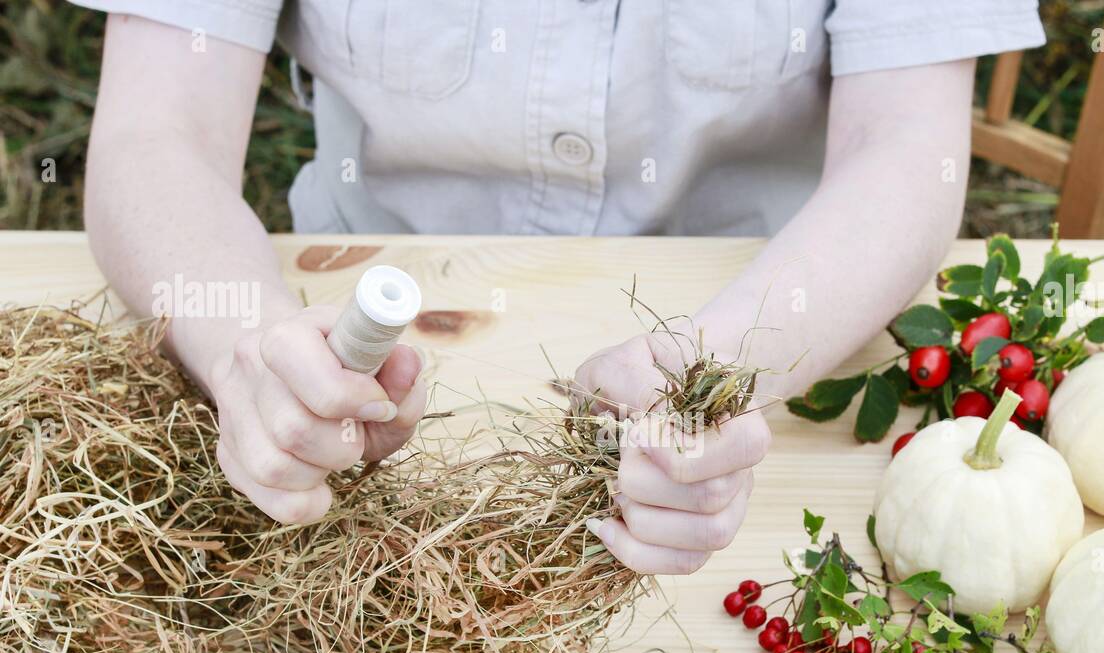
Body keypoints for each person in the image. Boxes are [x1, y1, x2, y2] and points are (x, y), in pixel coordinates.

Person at [74, 1, 1044, 574]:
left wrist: (708, 370)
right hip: (352, 335)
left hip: (782, 324)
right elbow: (154, 136)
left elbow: (907, 150)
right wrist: (246, 348)